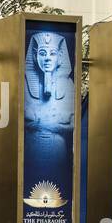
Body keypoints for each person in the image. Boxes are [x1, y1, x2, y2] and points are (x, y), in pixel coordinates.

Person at [23, 30, 75, 173]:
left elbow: (73, 125)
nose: (47, 59)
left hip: (58, 149)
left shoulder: (68, 84)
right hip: (33, 149)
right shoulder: (24, 84)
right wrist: (54, 122)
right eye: (42, 53)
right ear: (34, 56)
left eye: (52, 54)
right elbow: (19, 121)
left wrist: (42, 124)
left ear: (60, 57)